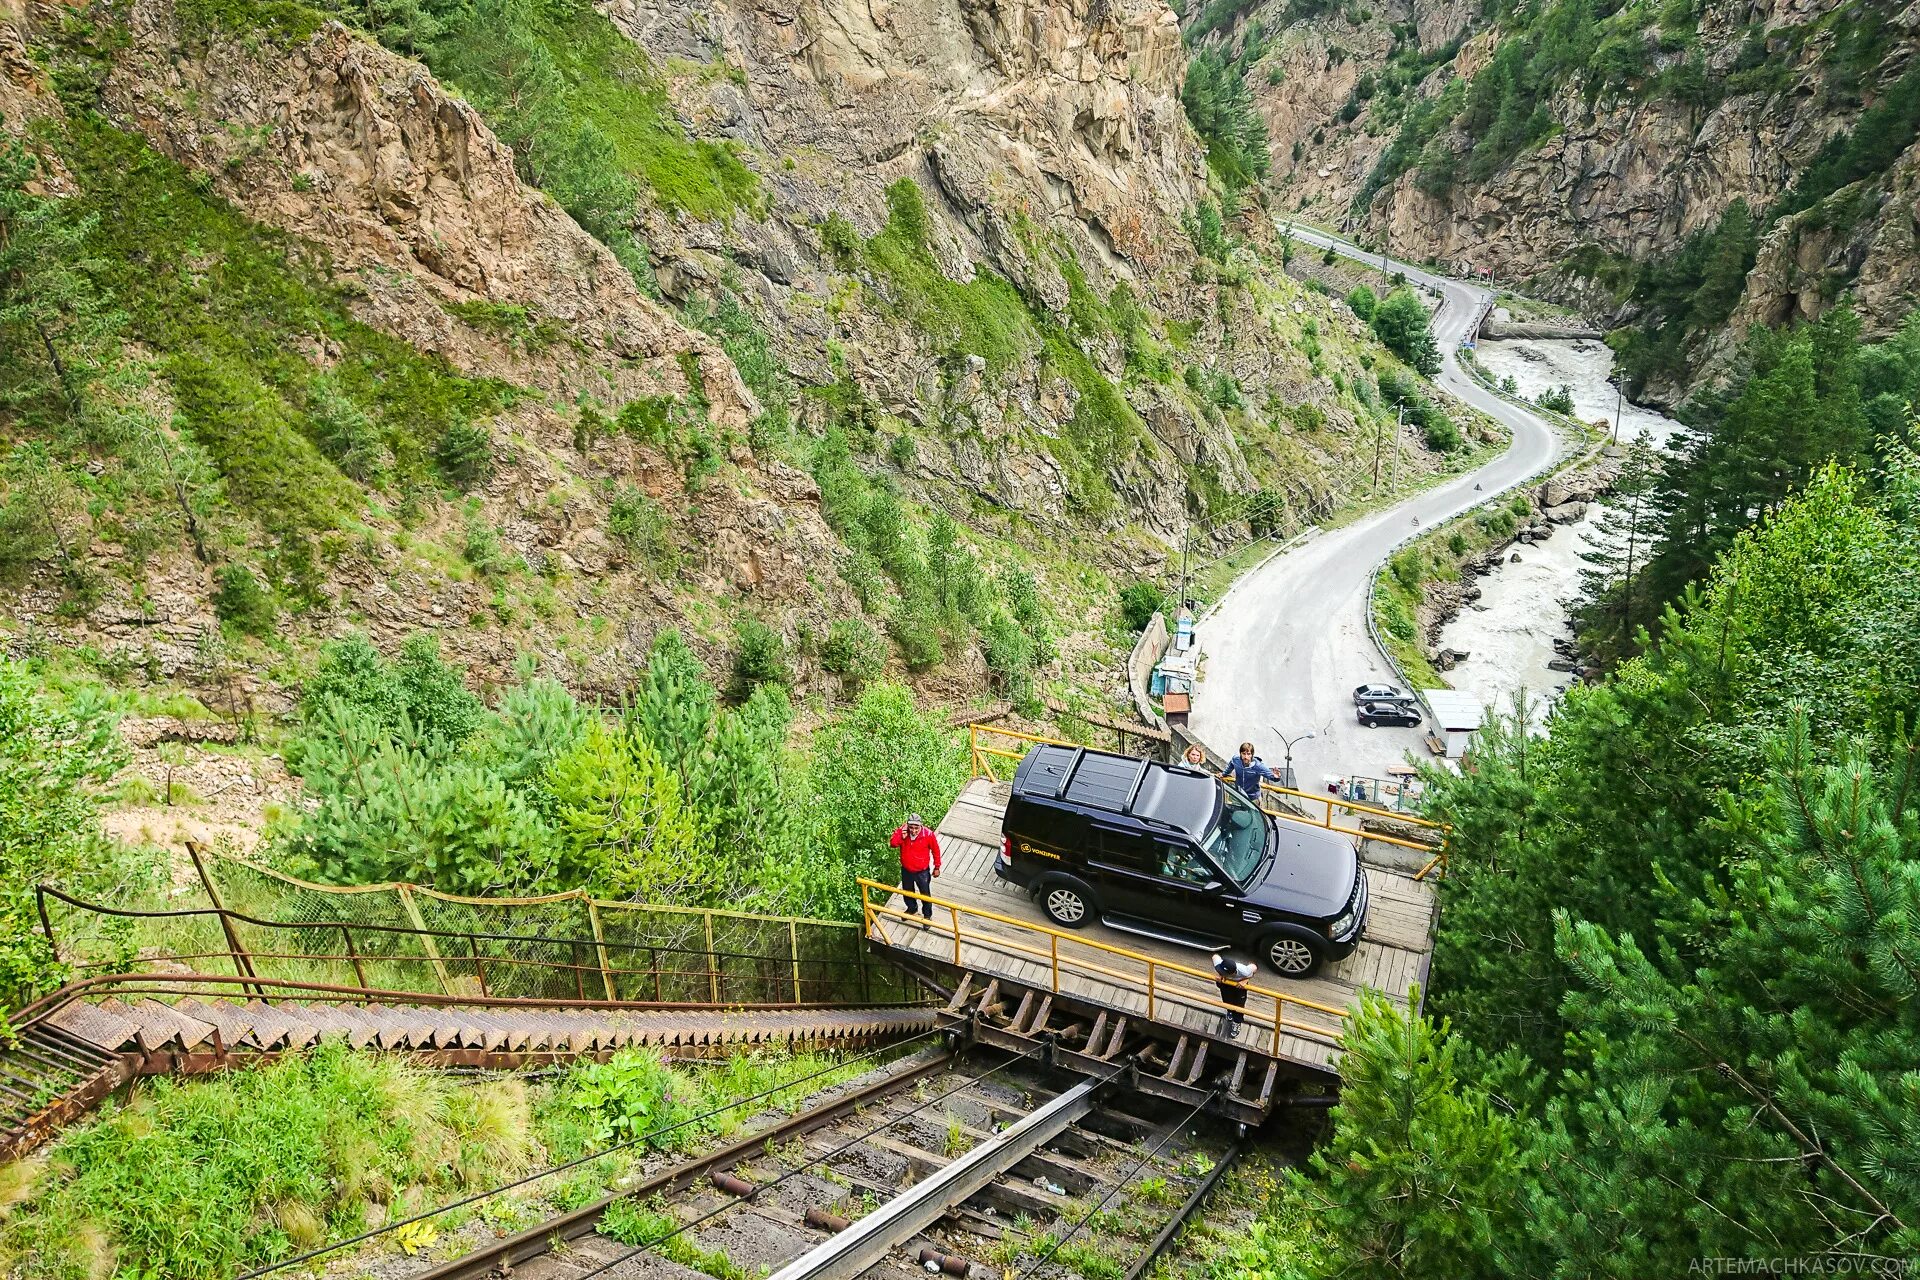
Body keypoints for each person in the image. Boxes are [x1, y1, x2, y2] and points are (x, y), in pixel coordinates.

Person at [890, 814, 942, 920]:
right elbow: (893, 844)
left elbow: (935, 850)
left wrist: (937, 867)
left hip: (921, 871)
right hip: (906, 869)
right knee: (907, 891)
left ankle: (927, 915)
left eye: (916, 828)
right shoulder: (903, 832)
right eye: (911, 828)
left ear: (920, 826)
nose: (913, 831)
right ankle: (912, 908)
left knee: (925, 894)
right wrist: (901, 836)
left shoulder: (928, 834)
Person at [1212, 951, 1257, 1037]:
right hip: (1225, 984)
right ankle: (1230, 1011)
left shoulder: (1244, 970)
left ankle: (1237, 1021)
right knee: (1226, 999)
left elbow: (1254, 967)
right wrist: (1219, 974)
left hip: (1239, 986)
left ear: (1233, 973)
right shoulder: (1218, 964)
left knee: (1239, 1005)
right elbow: (1215, 956)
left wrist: (1245, 980)